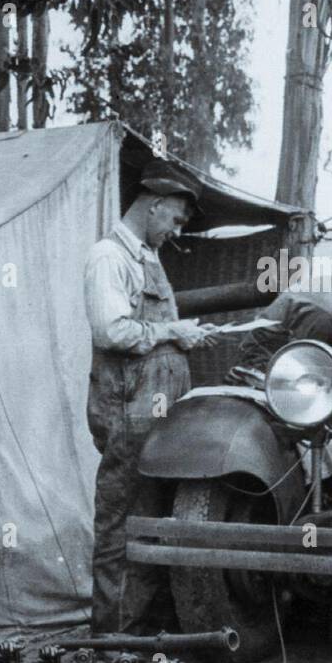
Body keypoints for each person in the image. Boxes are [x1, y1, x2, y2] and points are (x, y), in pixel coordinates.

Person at [84, 158, 217, 634]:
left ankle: (139, 629)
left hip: (155, 414)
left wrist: (179, 337)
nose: (177, 231)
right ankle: (112, 634)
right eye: (176, 220)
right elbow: (111, 331)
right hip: (127, 412)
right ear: (155, 205)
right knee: (122, 523)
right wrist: (172, 331)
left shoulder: (146, 256)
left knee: (150, 517)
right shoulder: (110, 258)